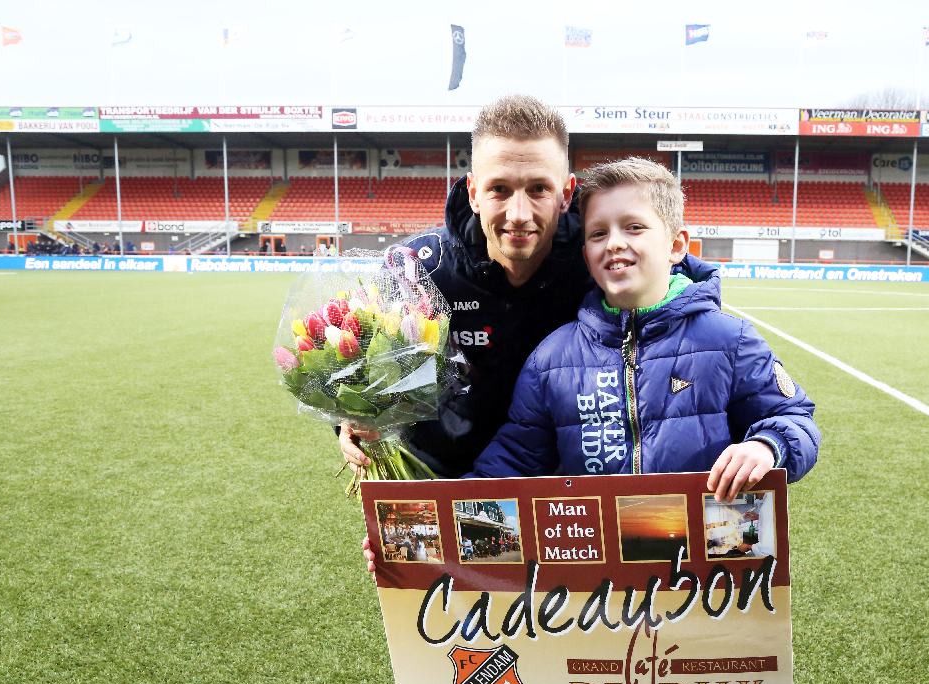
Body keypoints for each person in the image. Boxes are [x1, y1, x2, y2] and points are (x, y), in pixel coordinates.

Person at [468, 158, 821, 502]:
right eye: (598, 233)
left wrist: (766, 446)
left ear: (677, 245)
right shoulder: (551, 359)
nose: (615, 243)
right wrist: (453, 504)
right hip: (600, 556)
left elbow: (794, 419)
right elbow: (515, 458)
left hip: (701, 552)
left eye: (634, 227)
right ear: (586, 254)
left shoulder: (731, 340)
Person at [342, 94, 593, 486]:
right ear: (473, 193)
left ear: (566, 193)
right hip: (439, 480)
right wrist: (355, 418)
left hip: (558, 484)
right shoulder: (417, 270)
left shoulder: (597, 267)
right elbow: (372, 381)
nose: (519, 214)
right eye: (500, 189)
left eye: (539, 189)